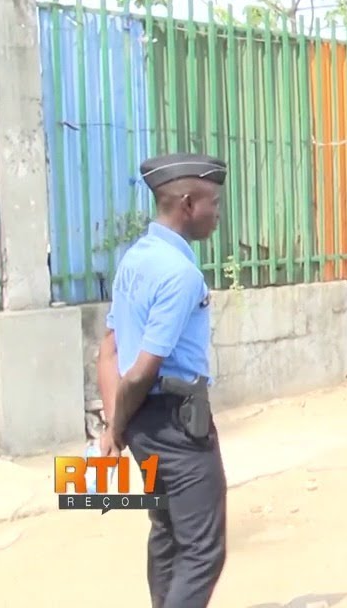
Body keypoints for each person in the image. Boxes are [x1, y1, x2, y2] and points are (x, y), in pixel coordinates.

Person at [95, 152, 229, 608]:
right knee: (203, 551)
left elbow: (109, 350)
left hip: (143, 427)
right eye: (214, 202)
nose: (217, 213)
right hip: (176, 426)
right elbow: (141, 370)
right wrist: (113, 428)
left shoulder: (136, 259)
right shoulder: (180, 275)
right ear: (188, 204)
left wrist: (115, 424)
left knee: (168, 533)